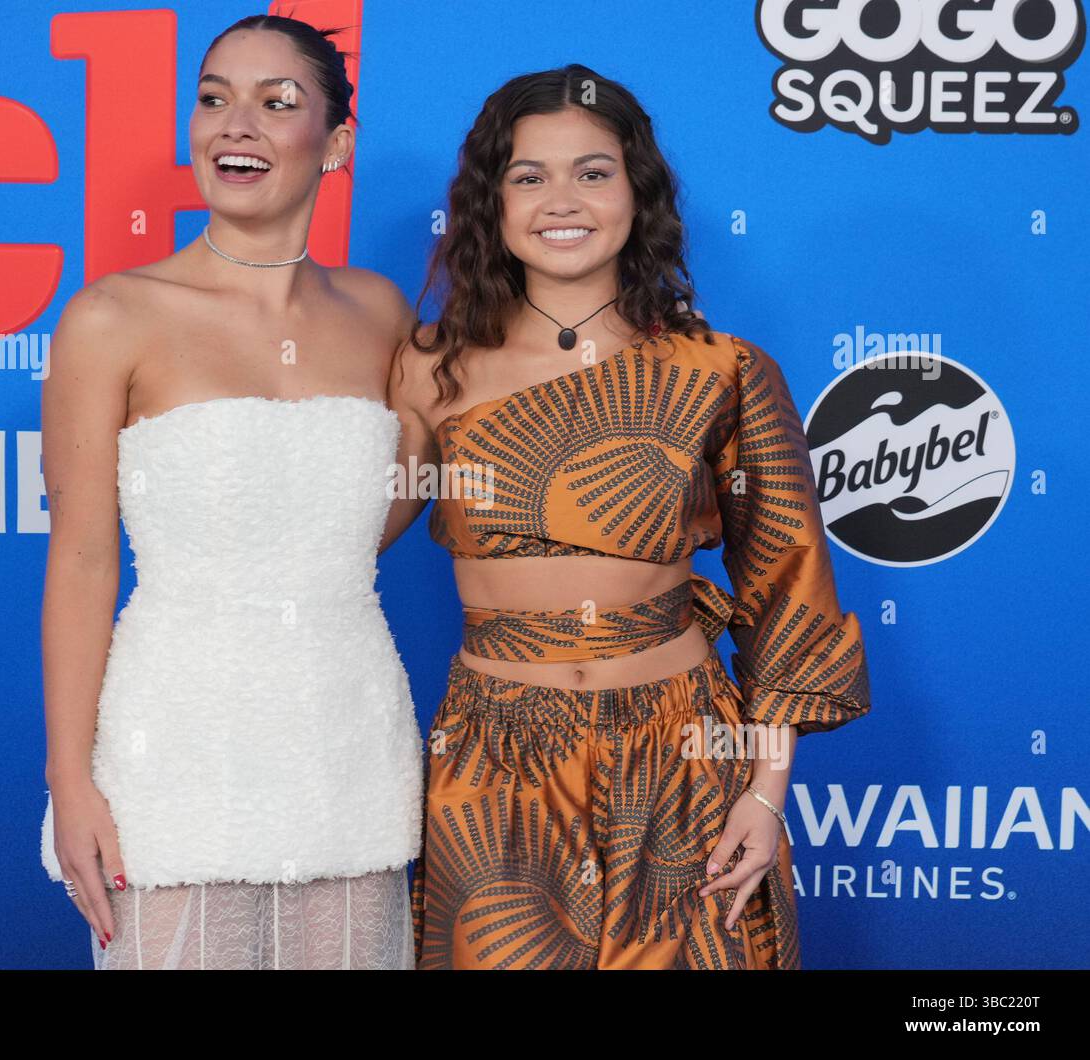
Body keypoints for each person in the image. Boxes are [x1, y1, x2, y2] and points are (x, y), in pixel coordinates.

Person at [386, 64, 872, 969]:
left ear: (637, 192)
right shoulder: (427, 367)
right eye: (528, 176)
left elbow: (788, 591)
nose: (561, 200)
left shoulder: (722, 369)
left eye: (593, 172)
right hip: (492, 759)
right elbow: (341, 540)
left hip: (685, 750)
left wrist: (766, 795)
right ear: (491, 200)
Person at [38, 14, 423, 970]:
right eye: (213, 98)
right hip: (175, 755)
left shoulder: (379, 313)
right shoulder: (112, 317)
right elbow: (83, 559)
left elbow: (359, 526)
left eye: (275, 103)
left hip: (349, 749)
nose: (234, 125)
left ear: (336, 144)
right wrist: (71, 780)